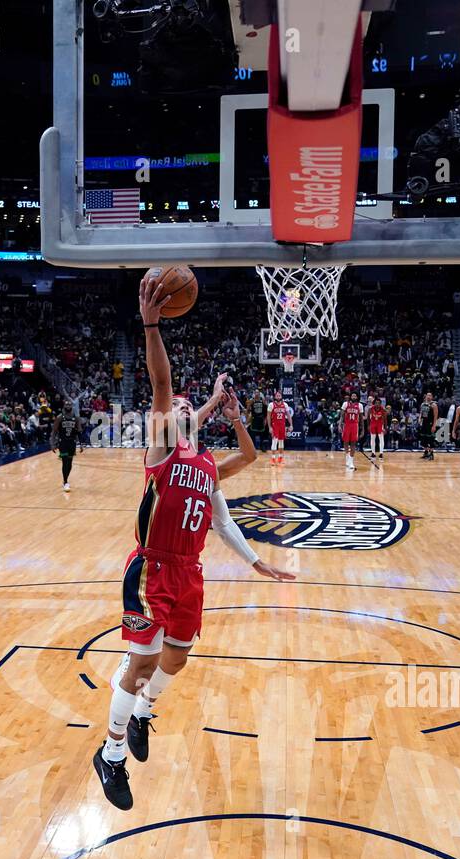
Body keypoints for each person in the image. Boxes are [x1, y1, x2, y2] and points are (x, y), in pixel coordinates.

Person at [92, 272, 295, 811]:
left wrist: (229, 415)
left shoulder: (206, 463)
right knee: (138, 665)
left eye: (188, 411)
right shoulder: (162, 452)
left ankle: (141, 714)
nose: (180, 411)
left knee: (176, 661)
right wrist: (152, 325)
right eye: (177, 409)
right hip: (151, 570)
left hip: (189, 573)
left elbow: (249, 460)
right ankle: (109, 756)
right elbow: (163, 390)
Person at [52, 402, 79, 492]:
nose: (68, 406)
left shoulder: (76, 418)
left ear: (72, 406)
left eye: (69, 405)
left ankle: (65, 480)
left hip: (72, 442)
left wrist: (81, 444)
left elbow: (79, 431)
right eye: (66, 405)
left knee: (70, 463)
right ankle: (66, 482)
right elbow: (54, 431)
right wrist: (53, 444)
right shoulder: (60, 417)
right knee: (65, 461)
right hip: (62, 442)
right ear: (64, 406)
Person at [340, 392, 362, 470]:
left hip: (355, 425)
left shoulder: (360, 405)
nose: (353, 397)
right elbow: (342, 416)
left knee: (353, 443)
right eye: (352, 395)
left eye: (355, 396)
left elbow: (361, 418)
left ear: (357, 397)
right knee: (345, 442)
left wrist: (362, 430)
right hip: (347, 425)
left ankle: (351, 461)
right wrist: (340, 425)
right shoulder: (345, 404)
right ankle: (347, 456)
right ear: (350, 397)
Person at [267, 391, 290, 465]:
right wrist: (269, 427)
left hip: (282, 425)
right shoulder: (271, 405)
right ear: (275, 396)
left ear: (281, 396)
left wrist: (291, 425)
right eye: (277, 395)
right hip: (275, 425)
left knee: (281, 442)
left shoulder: (285, 405)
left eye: (279, 395)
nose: (278, 396)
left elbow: (288, 416)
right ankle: (273, 458)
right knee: (274, 441)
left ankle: (280, 458)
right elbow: (268, 416)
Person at [367, 395, 387, 465]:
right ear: (374, 403)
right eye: (376, 403)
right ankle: (373, 453)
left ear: (380, 404)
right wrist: (368, 425)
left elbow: (385, 419)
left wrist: (385, 428)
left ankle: (381, 453)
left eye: (379, 403)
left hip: (380, 424)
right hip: (373, 424)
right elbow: (368, 418)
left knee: (381, 439)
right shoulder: (370, 409)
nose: (377, 404)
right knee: (372, 439)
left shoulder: (383, 409)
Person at [419, 393, 439, 460]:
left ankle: (431, 454)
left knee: (430, 439)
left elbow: (435, 416)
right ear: (426, 396)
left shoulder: (434, 405)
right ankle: (426, 452)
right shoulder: (423, 404)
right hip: (424, 423)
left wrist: (434, 425)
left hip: (430, 423)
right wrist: (419, 419)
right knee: (424, 438)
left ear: (432, 397)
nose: (428, 396)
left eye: (430, 395)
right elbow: (421, 412)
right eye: (427, 395)